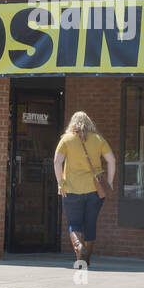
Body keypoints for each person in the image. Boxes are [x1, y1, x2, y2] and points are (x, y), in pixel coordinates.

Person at [53, 111, 116, 268]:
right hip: (95, 190)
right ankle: (86, 257)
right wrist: (109, 181)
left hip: (71, 189)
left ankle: (78, 247)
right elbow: (111, 160)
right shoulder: (97, 139)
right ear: (89, 122)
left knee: (74, 223)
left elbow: (56, 162)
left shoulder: (66, 139)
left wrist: (60, 182)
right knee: (90, 222)